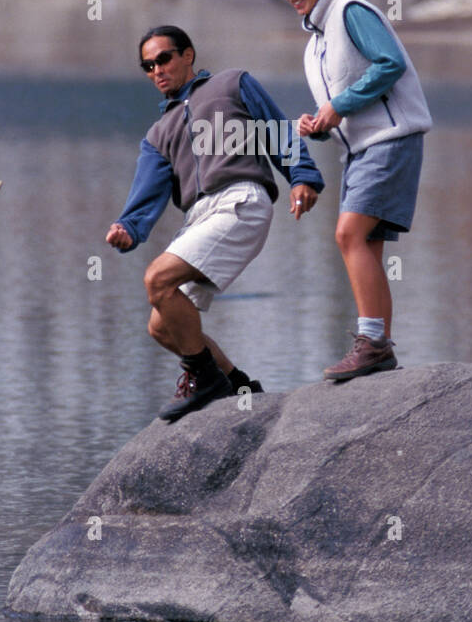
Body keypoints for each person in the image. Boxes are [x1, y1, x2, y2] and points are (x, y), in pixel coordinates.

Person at [106, 24, 325, 421]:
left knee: (157, 278)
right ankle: (239, 387)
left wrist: (302, 177)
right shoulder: (158, 134)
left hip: (241, 201)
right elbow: (146, 195)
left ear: (187, 55)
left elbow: (277, 130)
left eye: (163, 59)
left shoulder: (232, 84)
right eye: (148, 66)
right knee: (161, 326)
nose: (157, 70)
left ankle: (203, 378)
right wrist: (128, 229)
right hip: (199, 218)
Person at [278, 0, 432, 381]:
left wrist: (339, 106)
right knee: (366, 245)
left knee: (348, 235)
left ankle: (372, 344)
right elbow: (341, 106)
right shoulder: (314, 42)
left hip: (391, 139)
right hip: (359, 150)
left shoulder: (350, 11)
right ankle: (379, 348)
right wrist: (318, 124)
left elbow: (390, 63)